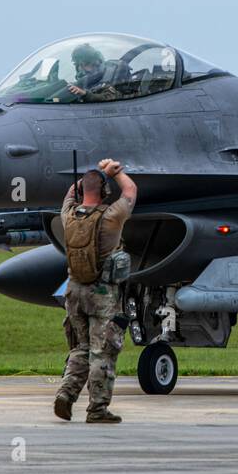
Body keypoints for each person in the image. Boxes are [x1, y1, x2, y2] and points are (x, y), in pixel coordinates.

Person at [54, 158, 137, 423]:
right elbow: (131, 192)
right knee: (102, 351)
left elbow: (70, 194)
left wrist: (97, 175)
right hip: (102, 294)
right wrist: (116, 171)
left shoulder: (67, 215)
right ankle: (97, 409)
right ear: (103, 192)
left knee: (81, 348)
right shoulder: (111, 218)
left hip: (74, 291)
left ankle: (66, 395)